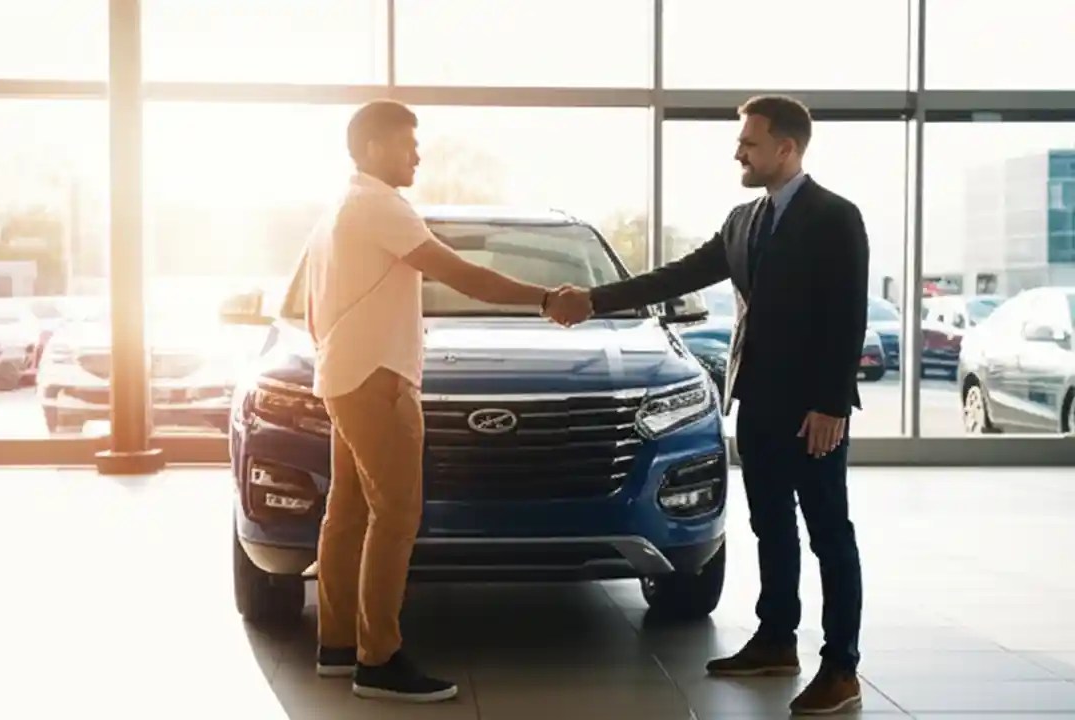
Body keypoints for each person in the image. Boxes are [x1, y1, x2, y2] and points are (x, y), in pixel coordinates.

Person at [547, 95, 867, 716]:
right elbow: (677, 276)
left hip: (813, 410)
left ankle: (842, 667)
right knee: (770, 525)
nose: (739, 152)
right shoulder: (743, 220)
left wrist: (831, 405)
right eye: (740, 142)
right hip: (758, 401)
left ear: (787, 148)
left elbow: (847, 316)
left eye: (750, 142)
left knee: (829, 533)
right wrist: (593, 299)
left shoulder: (835, 217)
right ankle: (776, 638)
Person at [304, 99, 560, 703]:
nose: (417, 154)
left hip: (344, 375)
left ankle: (338, 646)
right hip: (379, 380)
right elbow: (461, 273)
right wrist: (546, 298)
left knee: (347, 515)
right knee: (395, 516)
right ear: (373, 149)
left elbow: (317, 312)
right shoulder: (379, 205)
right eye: (407, 143)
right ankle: (379, 660)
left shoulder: (335, 211)